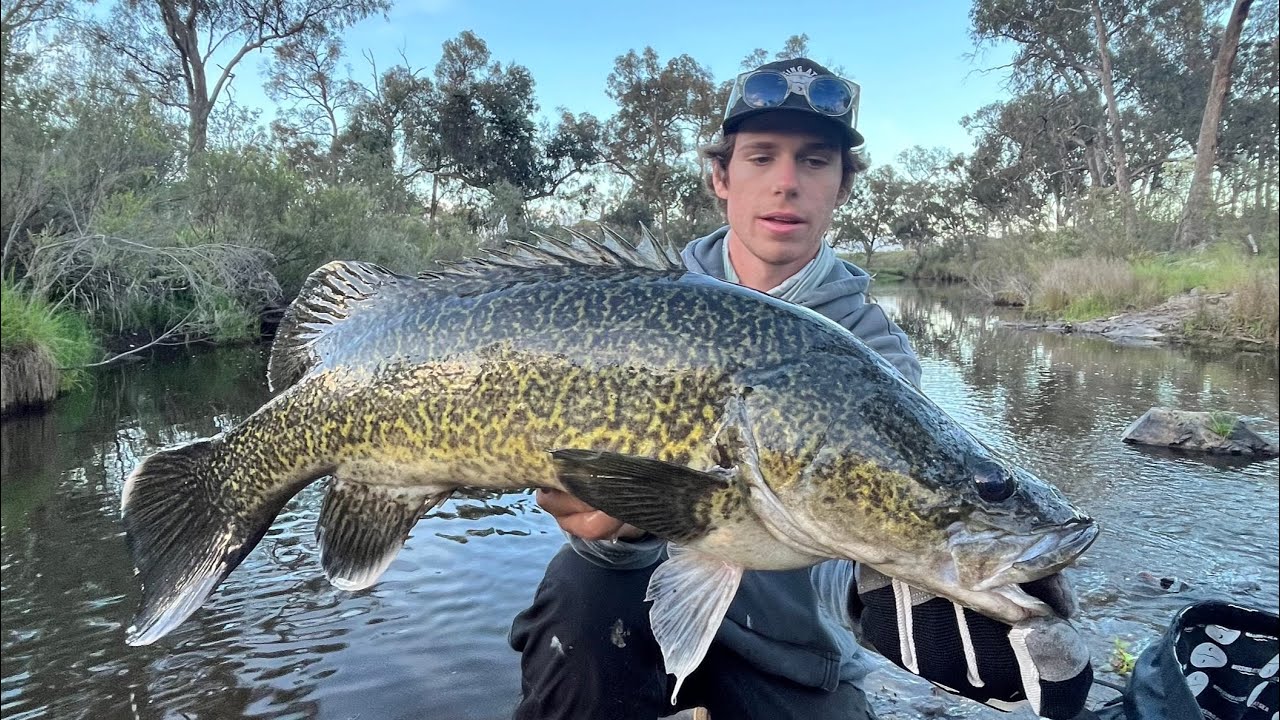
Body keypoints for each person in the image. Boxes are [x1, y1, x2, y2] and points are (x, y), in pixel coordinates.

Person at [509, 57, 1093, 720]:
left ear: (842, 185)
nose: (786, 182)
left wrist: (879, 588)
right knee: (580, 590)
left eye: (815, 161)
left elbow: (842, 515)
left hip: (794, 650)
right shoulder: (634, 307)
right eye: (762, 157)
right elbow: (596, 500)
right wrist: (614, 528)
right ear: (721, 177)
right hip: (626, 607)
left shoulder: (874, 353)